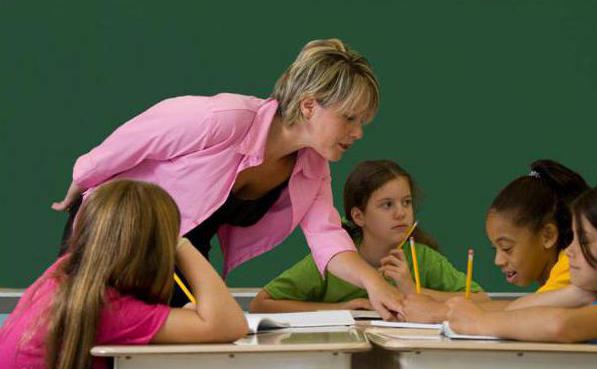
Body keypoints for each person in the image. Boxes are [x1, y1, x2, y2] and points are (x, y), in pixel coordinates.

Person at [50, 39, 402, 317]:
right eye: (350, 118)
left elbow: (327, 239)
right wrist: (82, 180)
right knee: (99, 340)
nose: (357, 133)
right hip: (118, 232)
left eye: (362, 123)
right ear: (310, 106)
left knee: (182, 349)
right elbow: (133, 139)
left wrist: (374, 283)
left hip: (181, 252)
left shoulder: (312, 169)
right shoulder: (223, 118)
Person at [0, 180, 248, 369]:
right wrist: (182, 244)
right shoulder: (110, 309)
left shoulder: (63, 275)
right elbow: (229, 325)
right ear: (160, 248)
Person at [446, 184, 597, 369]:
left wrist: (477, 322)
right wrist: (575, 293)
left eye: (583, 240)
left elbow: (561, 326)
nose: (570, 250)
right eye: (572, 238)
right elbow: (516, 310)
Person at [250, 160, 486, 317]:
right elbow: (261, 304)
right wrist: (339, 309)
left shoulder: (422, 258)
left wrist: (412, 290)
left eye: (407, 202)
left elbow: (480, 300)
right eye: (386, 205)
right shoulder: (335, 260)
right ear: (358, 216)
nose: (401, 213)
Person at [482, 160, 594, 311]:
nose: (498, 261)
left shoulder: (572, 266)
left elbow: (524, 313)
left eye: (506, 248)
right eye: (495, 248)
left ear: (547, 236)